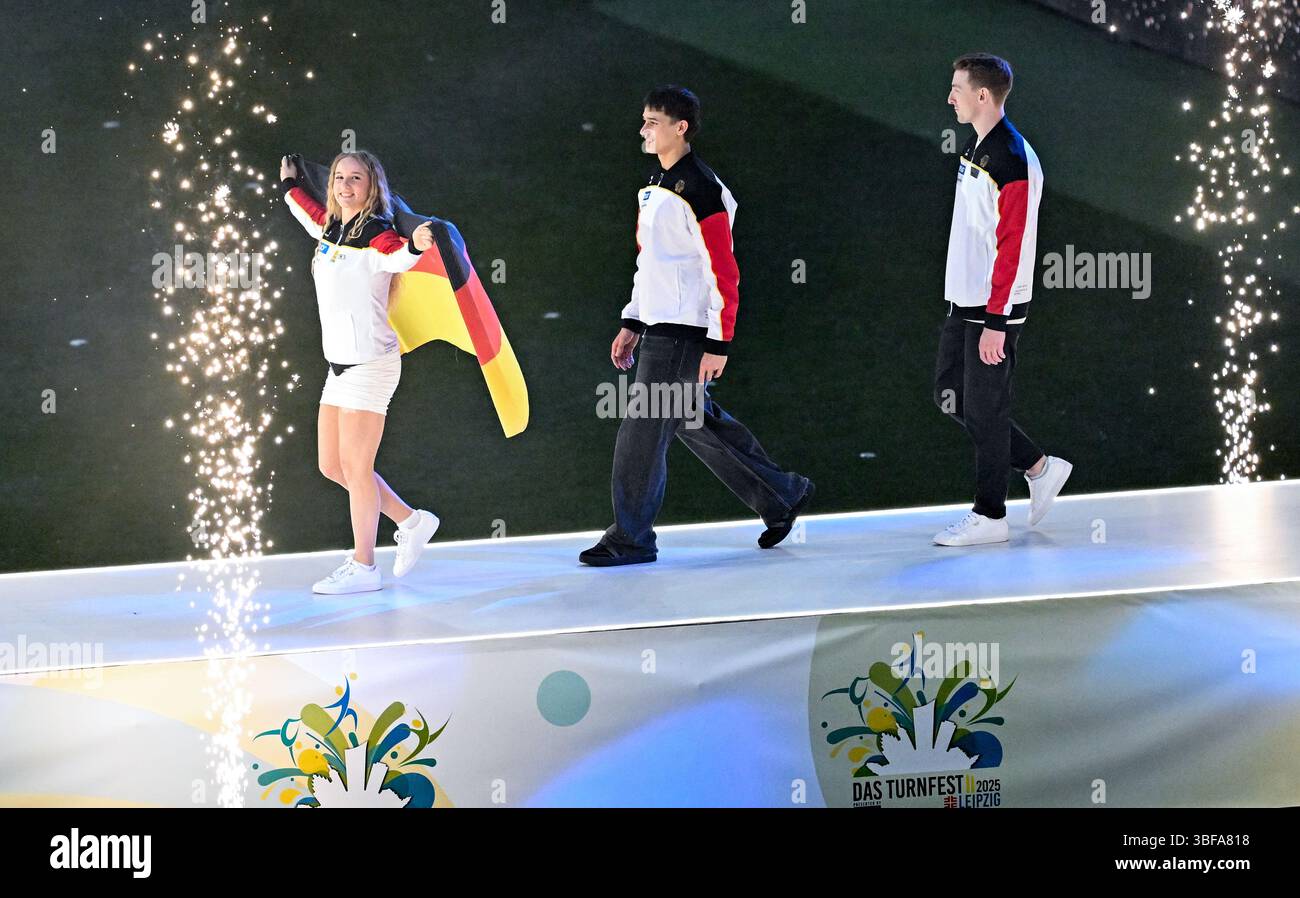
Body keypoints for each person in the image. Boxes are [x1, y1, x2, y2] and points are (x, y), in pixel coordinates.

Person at [579, 86, 814, 567]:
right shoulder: (657, 183)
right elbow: (652, 263)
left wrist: (719, 341)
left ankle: (632, 537)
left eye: (651, 122)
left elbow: (723, 271)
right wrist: (632, 319)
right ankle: (782, 495)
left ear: (679, 127)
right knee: (692, 419)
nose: (643, 130)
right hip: (662, 325)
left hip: (682, 334)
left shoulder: (701, 190)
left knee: (642, 432)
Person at [280, 150, 441, 592]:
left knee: (356, 467)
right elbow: (309, 214)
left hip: (370, 365)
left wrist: (418, 242)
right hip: (338, 366)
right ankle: (412, 521)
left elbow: (396, 255)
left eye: (356, 179)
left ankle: (364, 566)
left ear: (373, 188)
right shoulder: (332, 229)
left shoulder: (376, 235)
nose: (345, 186)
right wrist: (290, 185)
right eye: (339, 178)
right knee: (332, 466)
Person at [933, 54, 1072, 547]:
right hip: (965, 300)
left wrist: (997, 320)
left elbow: (1013, 245)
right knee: (951, 396)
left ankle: (990, 515)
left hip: (993, 309)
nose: (950, 97)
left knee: (986, 410)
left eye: (957, 88)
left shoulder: (1012, 157)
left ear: (983, 96)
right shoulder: (980, 148)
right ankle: (1038, 466)